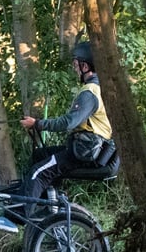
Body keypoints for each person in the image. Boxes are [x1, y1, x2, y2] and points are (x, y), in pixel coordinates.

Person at [17, 40, 114, 215]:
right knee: (40, 156)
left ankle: (22, 215)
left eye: (76, 64)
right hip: (91, 148)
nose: (74, 68)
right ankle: (48, 206)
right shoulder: (102, 88)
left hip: (85, 150)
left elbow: (69, 122)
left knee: (38, 172)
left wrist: (38, 124)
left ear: (85, 66)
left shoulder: (89, 92)